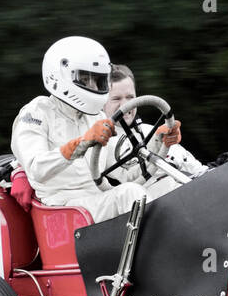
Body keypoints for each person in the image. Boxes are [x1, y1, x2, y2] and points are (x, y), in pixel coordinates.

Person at [11, 37, 171, 221]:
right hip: (62, 209)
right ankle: (161, 249)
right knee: (131, 195)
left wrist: (158, 143)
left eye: (99, 81)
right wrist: (80, 144)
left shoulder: (94, 116)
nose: (94, 87)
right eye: (86, 79)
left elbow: (127, 174)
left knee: (167, 187)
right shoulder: (37, 112)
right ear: (59, 75)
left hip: (94, 201)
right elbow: (36, 168)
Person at [101, 63, 203, 198]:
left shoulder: (149, 129)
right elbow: (130, 179)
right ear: (102, 102)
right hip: (157, 197)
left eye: (130, 97)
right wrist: (158, 144)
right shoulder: (104, 145)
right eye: (116, 99)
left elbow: (194, 167)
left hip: (194, 181)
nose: (125, 105)